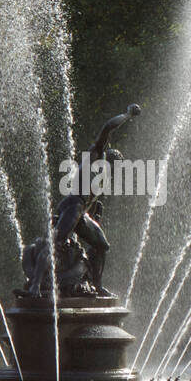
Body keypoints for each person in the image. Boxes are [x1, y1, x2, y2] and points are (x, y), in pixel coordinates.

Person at [54, 104, 140, 296]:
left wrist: (96, 214)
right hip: (72, 206)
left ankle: (96, 285)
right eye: (116, 164)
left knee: (102, 245)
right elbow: (108, 127)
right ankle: (44, 283)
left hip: (81, 213)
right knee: (58, 241)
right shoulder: (97, 154)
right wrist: (127, 115)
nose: (116, 168)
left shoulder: (103, 178)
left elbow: (93, 202)